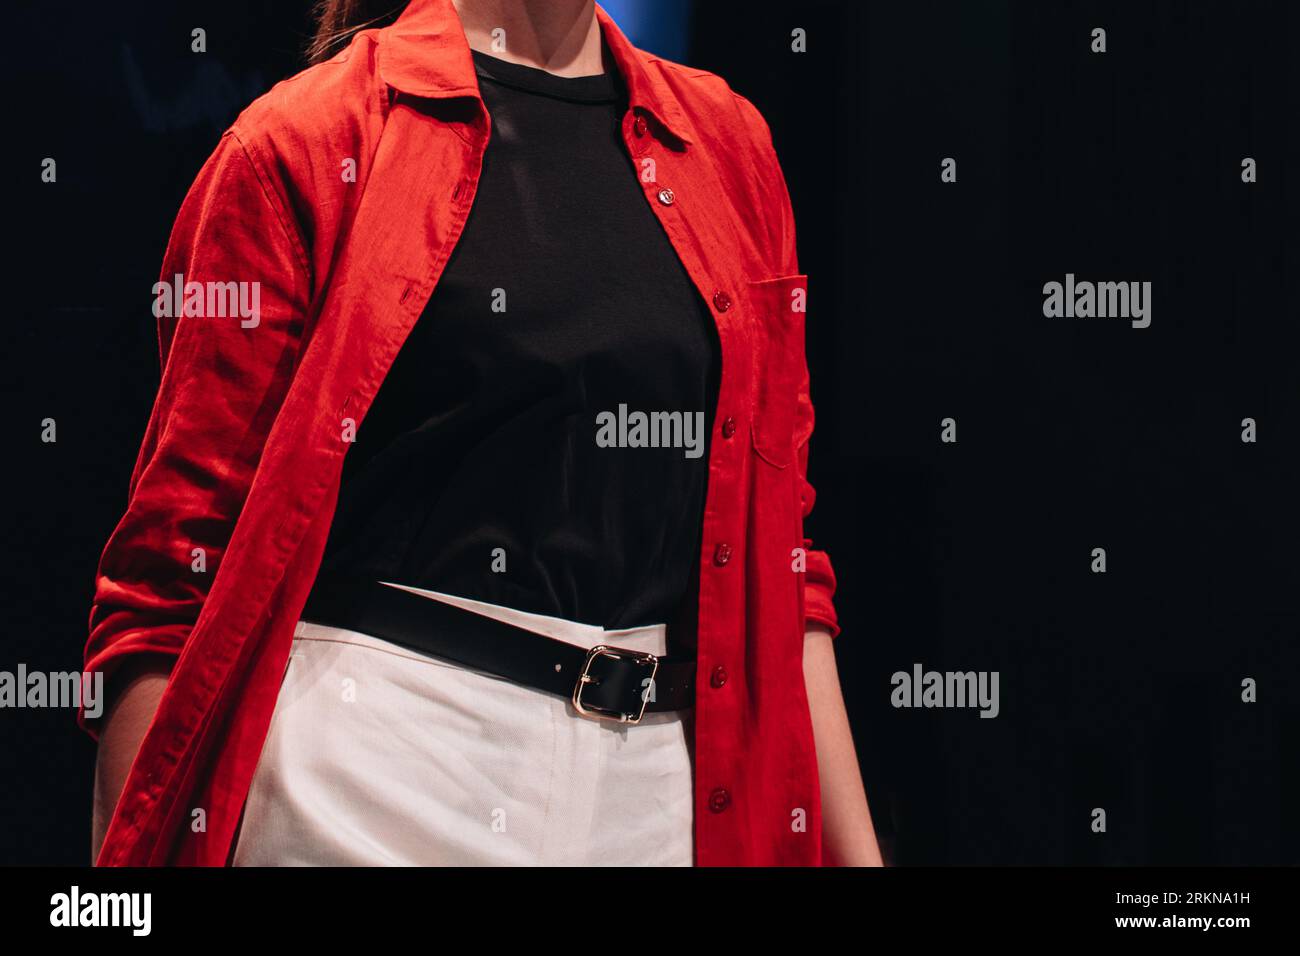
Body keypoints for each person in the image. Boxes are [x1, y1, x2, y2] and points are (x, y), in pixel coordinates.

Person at [86, 0, 882, 866]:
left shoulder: (729, 147)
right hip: (368, 780)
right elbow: (171, 582)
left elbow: (784, 569)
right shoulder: (310, 139)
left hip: (663, 791)